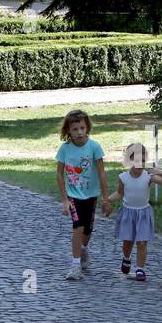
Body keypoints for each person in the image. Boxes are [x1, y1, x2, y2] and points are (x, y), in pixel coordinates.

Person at [55, 109, 109, 281]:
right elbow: (59, 174)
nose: (79, 132)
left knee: (87, 229)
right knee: (77, 227)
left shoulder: (94, 147)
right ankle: (75, 265)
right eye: (75, 129)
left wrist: (106, 200)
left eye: (82, 128)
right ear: (68, 131)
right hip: (73, 195)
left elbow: (101, 174)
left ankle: (83, 249)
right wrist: (65, 199)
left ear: (87, 129)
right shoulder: (65, 149)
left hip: (91, 194)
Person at [107, 142, 162, 282]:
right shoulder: (123, 177)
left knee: (142, 242)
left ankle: (140, 269)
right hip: (128, 213)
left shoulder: (148, 176)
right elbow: (120, 193)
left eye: (142, 160)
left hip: (143, 213)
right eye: (136, 160)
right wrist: (108, 199)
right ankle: (126, 258)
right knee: (128, 241)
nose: (140, 163)